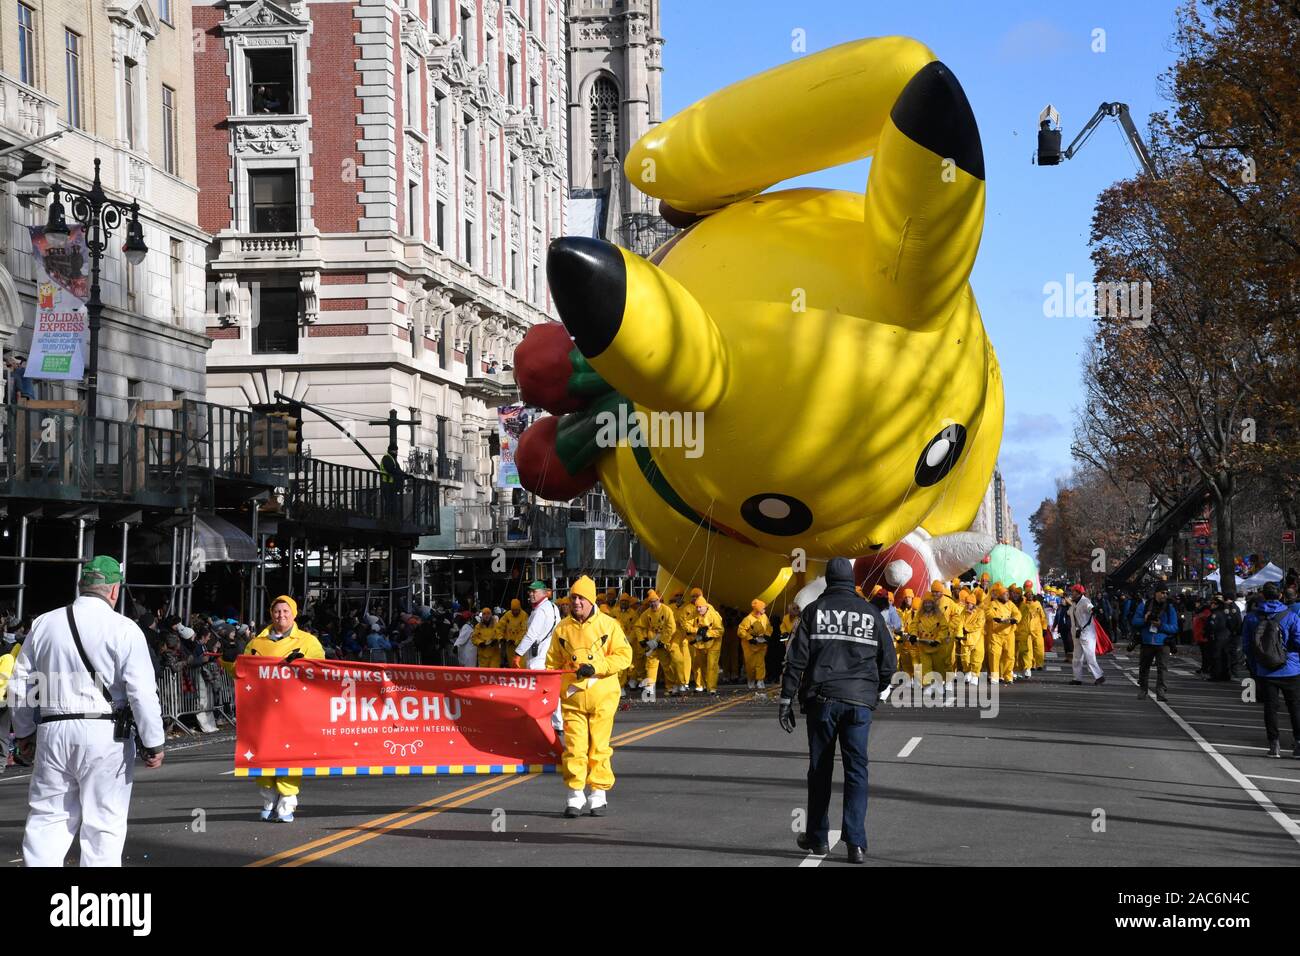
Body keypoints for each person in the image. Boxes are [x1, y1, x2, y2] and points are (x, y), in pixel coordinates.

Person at [9, 556, 165, 866]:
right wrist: (153, 742)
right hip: (105, 733)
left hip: (53, 729)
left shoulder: (44, 623)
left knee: (48, 819)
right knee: (103, 824)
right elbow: (142, 692)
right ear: (114, 590)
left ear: (82, 586)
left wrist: (24, 731)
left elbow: (20, 683)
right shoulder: (124, 628)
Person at [778, 557, 894, 864]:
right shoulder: (871, 613)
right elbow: (889, 662)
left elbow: (796, 660)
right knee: (857, 771)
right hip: (859, 703)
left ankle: (817, 839)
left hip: (822, 700)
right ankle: (855, 843)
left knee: (820, 770)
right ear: (852, 580)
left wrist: (786, 699)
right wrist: (873, 691)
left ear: (828, 581)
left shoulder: (813, 612)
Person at [223, 595, 323, 822]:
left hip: (293, 709)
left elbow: (320, 669)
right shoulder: (256, 643)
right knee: (263, 753)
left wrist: (303, 664)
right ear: (271, 614)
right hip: (262, 709)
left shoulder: (308, 642)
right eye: (277, 611)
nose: (281, 616)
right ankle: (268, 797)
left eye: (286, 611)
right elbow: (241, 673)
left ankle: (287, 801)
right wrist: (228, 661)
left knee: (289, 755)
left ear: (294, 614)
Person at [546, 576, 631, 817]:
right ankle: (575, 794)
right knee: (574, 747)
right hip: (572, 698)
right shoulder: (562, 628)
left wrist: (597, 667)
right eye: (573, 597)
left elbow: (625, 656)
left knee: (599, 747)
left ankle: (598, 794)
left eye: (581, 598)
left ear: (591, 599)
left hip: (603, 696)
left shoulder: (609, 625)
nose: (577, 602)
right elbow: (552, 663)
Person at [1241, 583, 1300, 758]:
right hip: (1290, 667)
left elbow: (1247, 646)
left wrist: (1255, 665)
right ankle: (1298, 743)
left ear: (1263, 597)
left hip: (1265, 669)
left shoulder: (1252, 618)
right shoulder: (1291, 615)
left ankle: (1274, 744)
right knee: (1295, 707)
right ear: (1280, 595)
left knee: (1270, 708)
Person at [1130, 584, 1179, 701]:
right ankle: (1143, 690)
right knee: (1144, 667)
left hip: (1163, 642)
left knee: (1162, 668)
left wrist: (1161, 626)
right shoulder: (1144, 605)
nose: (1164, 595)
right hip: (1147, 641)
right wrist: (1144, 620)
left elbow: (1174, 627)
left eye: (1166, 593)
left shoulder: (1169, 608)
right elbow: (1134, 621)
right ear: (1156, 593)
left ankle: (1161, 692)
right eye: (1162, 592)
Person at [635, 590, 676, 702]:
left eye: (655, 601)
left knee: (667, 666)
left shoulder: (666, 610)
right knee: (650, 666)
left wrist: (663, 641)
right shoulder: (647, 613)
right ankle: (649, 690)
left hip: (662, 643)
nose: (653, 604)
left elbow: (671, 627)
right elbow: (638, 626)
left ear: (659, 600)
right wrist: (641, 639)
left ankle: (670, 687)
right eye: (651, 602)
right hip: (652, 643)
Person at [1068, 583, 1105, 686]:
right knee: (1076, 657)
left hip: (1087, 634)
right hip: (1077, 634)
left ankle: (1099, 676)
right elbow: (1070, 613)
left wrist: (1095, 609)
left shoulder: (1085, 601)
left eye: (1074, 592)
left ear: (1079, 593)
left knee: (1090, 656)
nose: (1072, 593)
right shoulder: (1074, 603)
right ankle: (1077, 678)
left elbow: (1090, 607)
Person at [687, 594, 724, 693]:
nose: (698, 609)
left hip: (714, 643)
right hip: (701, 644)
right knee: (702, 664)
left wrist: (708, 634)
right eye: (697, 607)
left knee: (712, 664)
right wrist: (697, 630)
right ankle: (707, 684)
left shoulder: (713, 615)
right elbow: (686, 624)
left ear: (705, 606)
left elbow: (720, 630)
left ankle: (712, 688)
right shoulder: (694, 613)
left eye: (700, 607)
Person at [985, 583, 1021, 685]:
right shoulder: (993, 604)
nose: (1007, 595)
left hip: (1009, 633)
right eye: (1004, 594)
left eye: (1007, 594)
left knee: (1009, 656)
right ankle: (995, 676)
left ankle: (1008, 676)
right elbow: (988, 613)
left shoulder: (1010, 604)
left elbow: (1018, 614)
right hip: (995, 634)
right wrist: (994, 618)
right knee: (994, 655)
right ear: (1000, 595)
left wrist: (1015, 619)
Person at [738, 599, 773, 690]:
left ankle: (760, 680)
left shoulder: (764, 617)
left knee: (760, 663)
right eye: (763, 608)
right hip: (749, 646)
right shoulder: (748, 619)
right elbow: (740, 631)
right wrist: (750, 638)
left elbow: (768, 627)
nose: (765, 610)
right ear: (758, 609)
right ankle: (751, 679)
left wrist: (767, 636)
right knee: (750, 665)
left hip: (761, 645)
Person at [497, 599, 529, 666]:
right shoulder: (507, 615)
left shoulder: (524, 615)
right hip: (509, 646)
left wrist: (515, 641)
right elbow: (499, 627)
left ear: (519, 608)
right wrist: (501, 638)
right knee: (512, 665)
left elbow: (524, 631)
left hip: (521, 646)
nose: (515, 612)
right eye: (513, 610)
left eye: (516, 610)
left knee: (521, 665)